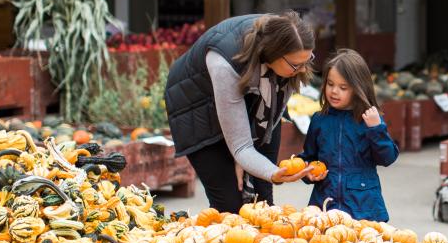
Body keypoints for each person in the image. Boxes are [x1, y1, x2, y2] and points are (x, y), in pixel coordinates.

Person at [165, 12, 315, 212]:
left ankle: (263, 241)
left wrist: (256, 166)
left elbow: (273, 115)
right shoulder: (224, 63)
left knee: (263, 203)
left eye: (308, 60)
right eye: (297, 65)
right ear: (271, 54)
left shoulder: (290, 48)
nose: (303, 70)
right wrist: (264, 167)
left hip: (258, 98)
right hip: (198, 108)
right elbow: (242, 147)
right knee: (229, 206)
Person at [300, 49, 399, 221]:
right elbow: (309, 157)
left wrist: (376, 129)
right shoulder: (319, 120)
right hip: (325, 203)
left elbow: (387, 158)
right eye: (330, 84)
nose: (334, 91)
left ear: (358, 88)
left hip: (363, 207)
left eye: (343, 87)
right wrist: (308, 173)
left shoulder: (370, 119)